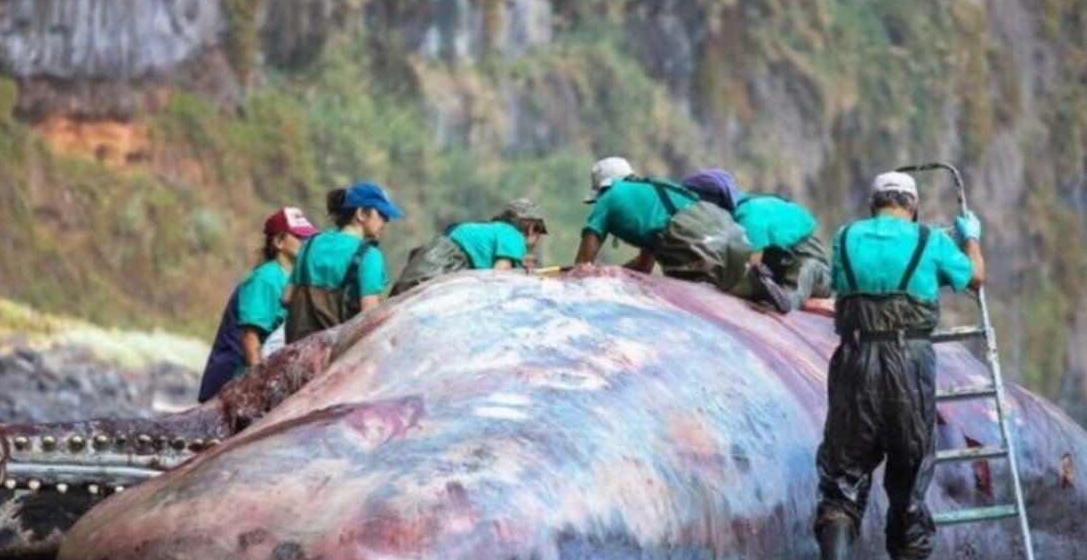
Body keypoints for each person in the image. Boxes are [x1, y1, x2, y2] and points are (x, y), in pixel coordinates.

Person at [813, 171, 985, 560]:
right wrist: (971, 238)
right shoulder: (931, 240)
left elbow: (838, 285)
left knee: (841, 480)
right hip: (910, 365)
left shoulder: (845, 238)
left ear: (873, 205)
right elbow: (976, 278)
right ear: (913, 206)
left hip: (854, 360)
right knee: (909, 481)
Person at [573, 157, 791, 310]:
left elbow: (583, 264)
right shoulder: (655, 192)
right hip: (728, 230)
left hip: (693, 237)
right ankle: (752, 282)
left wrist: (586, 272)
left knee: (694, 284)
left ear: (603, 187)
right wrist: (612, 271)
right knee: (726, 286)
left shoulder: (609, 196)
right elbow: (644, 265)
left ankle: (745, 283)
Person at [197, 207, 320, 402]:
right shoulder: (265, 279)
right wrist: (260, 389)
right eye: (299, 237)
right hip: (233, 381)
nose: (306, 243)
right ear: (279, 242)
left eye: (308, 238)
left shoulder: (292, 279)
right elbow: (250, 337)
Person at [682, 168, 832, 310]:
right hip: (777, 271)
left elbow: (753, 267)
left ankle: (785, 302)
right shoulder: (732, 220)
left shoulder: (749, 215)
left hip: (814, 271)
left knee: (803, 272)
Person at [284, 182, 403, 343]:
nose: (386, 221)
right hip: (334, 356)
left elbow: (287, 298)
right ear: (361, 213)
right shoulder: (369, 255)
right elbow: (370, 317)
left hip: (296, 350)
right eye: (382, 214)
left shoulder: (310, 243)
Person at [390, 198, 548, 296]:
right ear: (532, 228)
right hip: (444, 261)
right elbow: (499, 277)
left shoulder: (497, 229)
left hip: (437, 252)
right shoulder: (515, 236)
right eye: (539, 231)